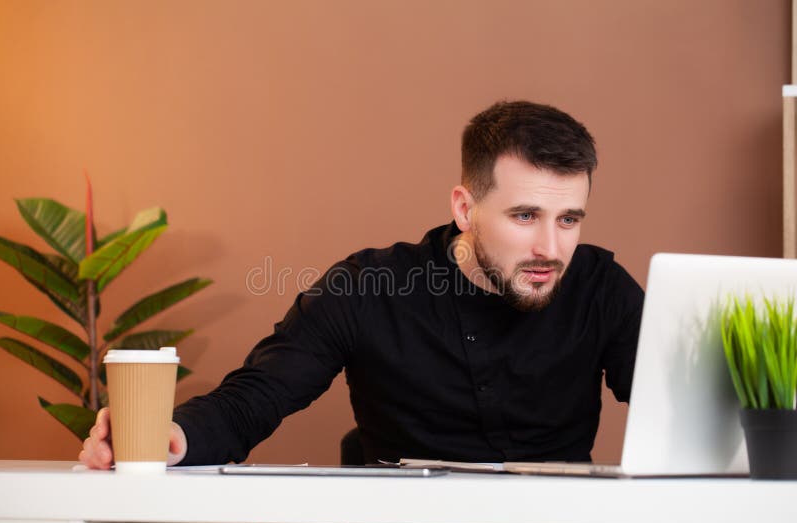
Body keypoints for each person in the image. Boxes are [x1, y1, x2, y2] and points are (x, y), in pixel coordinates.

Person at [80, 100, 644, 472]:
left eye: (569, 219)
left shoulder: (602, 290)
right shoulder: (368, 287)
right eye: (525, 216)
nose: (551, 247)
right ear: (465, 208)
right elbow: (254, 399)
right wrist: (167, 434)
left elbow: (680, 405)